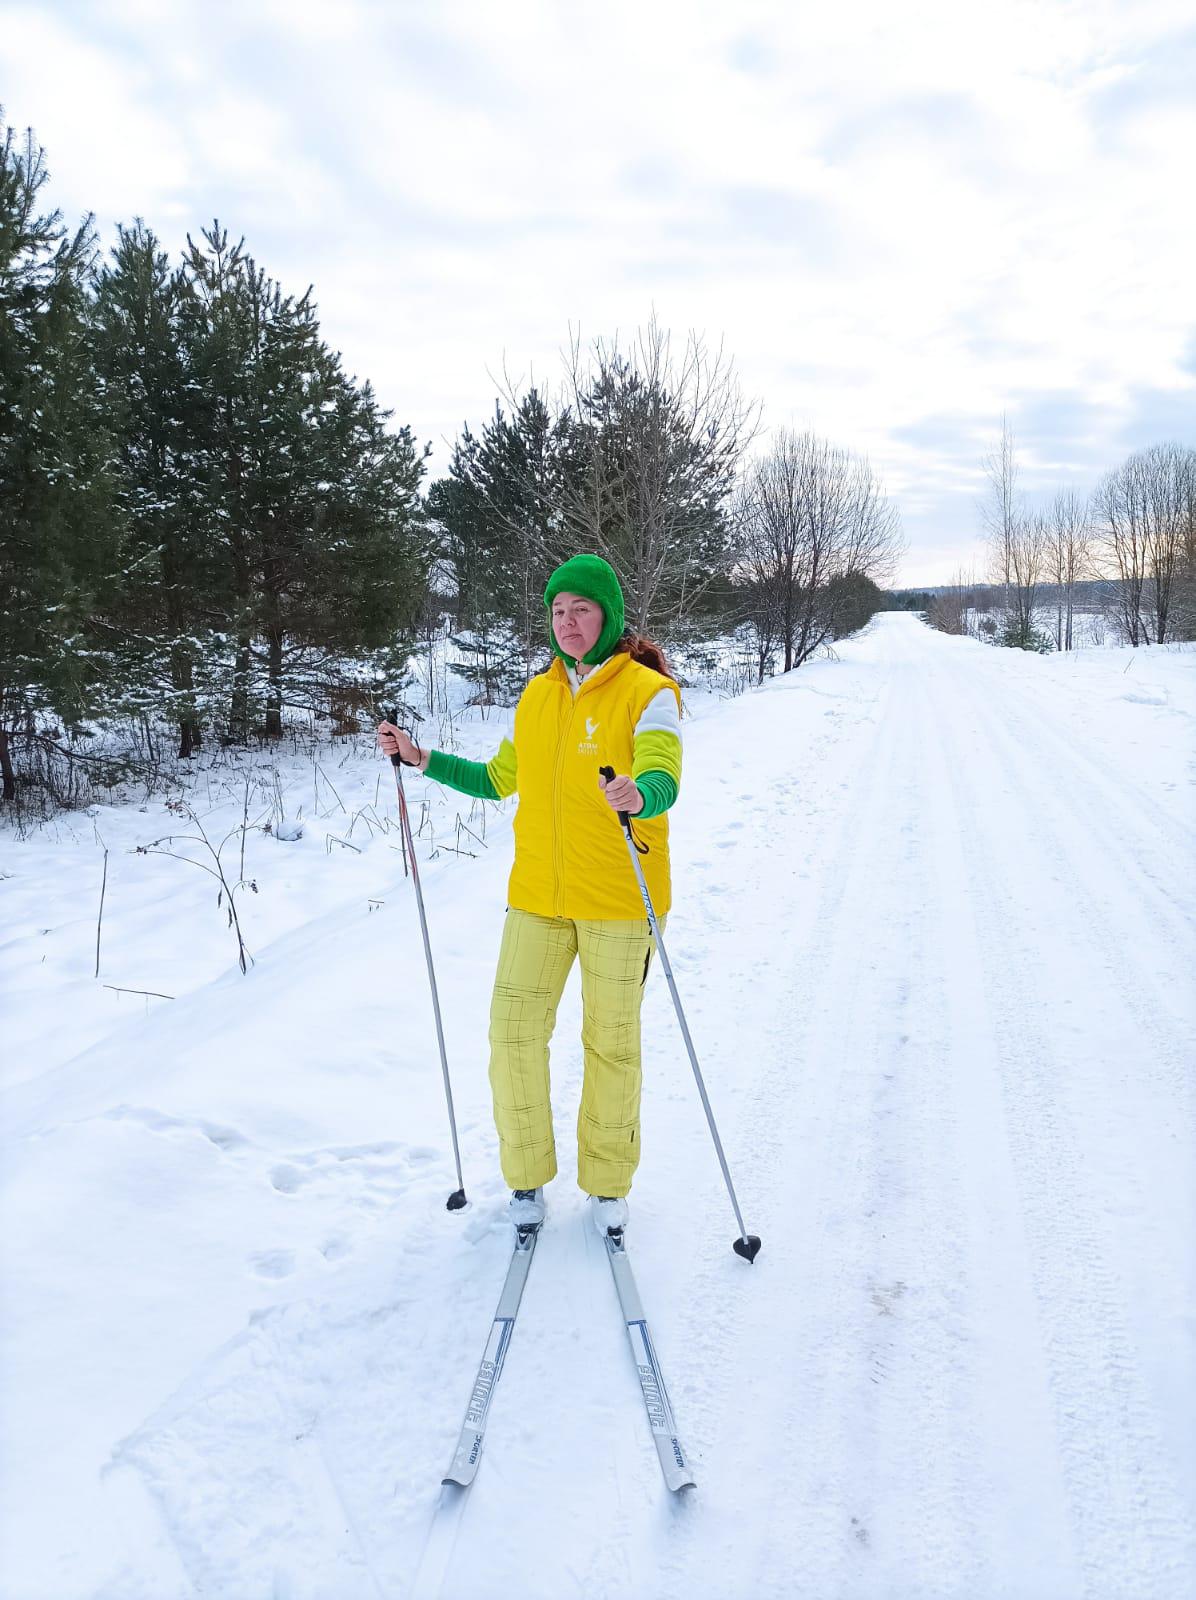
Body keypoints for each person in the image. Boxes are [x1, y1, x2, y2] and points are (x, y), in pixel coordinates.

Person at [377, 553, 682, 1237]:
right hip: (538, 898)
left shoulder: (647, 692)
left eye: (582, 607)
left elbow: (663, 768)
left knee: (611, 1042)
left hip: (619, 900)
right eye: (558, 609)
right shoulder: (538, 695)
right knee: (512, 1035)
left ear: (608, 613)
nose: (568, 621)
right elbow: (497, 778)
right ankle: (525, 1177)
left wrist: (642, 793)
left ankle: (607, 1184)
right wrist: (422, 758)